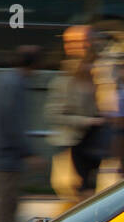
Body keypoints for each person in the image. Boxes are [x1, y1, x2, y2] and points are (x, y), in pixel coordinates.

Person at [45, 33, 109, 202]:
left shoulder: (97, 83)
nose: (92, 66)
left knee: (91, 191)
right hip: (72, 143)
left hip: (92, 142)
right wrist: (86, 120)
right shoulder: (64, 83)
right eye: (89, 62)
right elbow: (54, 114)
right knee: (73, 192)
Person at [0, 46, 41, 222]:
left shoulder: (3, 79)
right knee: (6, 206)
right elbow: (13, 121)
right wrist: (28, 152)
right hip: (8, 153)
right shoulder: (15, 83)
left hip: (1, 149)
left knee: (5, 204)